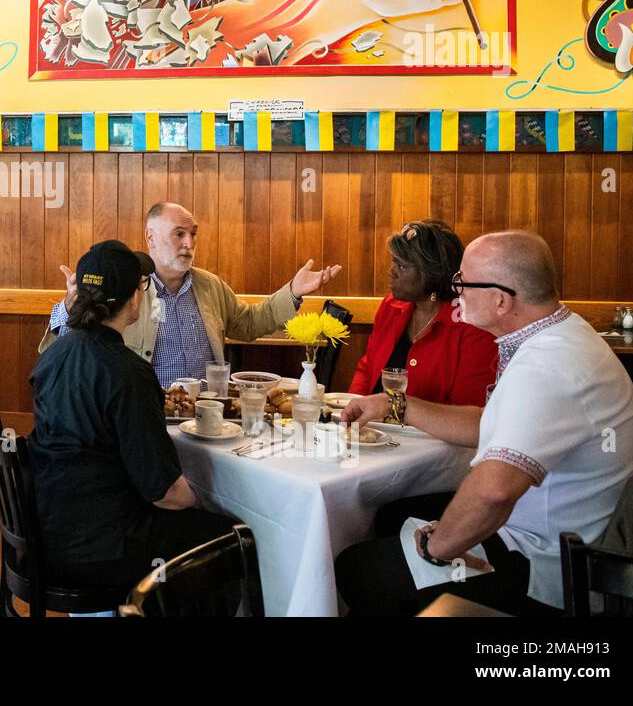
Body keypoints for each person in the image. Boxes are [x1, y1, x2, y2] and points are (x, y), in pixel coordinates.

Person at [334, 230, 633, 615]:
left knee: (356, 570)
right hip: (566, 529)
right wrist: (396, 405)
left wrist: (435, 550)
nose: (455, 291)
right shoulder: (561, 334)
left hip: (552, 561)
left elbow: (495, 490)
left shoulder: (546, 366)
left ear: (501, 300)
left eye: (463, 283)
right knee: (391, 513)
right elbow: (489, 423)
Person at [28, 239, 242, 590]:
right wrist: (220, 500)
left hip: (46, 531)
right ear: (134, 298)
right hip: (104, 551)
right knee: (234, 535)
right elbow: (165, 493)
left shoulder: (52, 356)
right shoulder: (128, 373)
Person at [39, 201, 341, 385]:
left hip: (208, 413)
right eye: (179, 234)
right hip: (147, 414)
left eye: (193, 233)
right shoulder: (127, 291)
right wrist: (68, 306)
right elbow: (73, 346)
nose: (189, 243)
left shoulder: (209, 285)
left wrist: (292, 292)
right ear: (151, 238)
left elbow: (249, 324)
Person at [348, 219, 496, 405]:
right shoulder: (391, 307)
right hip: (374, 428)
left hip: (433, 434)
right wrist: (353, 410)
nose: (391, 272)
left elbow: (469, 411)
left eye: (402, 266)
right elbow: (368, 367)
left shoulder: (472, 326)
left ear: (432, 274)